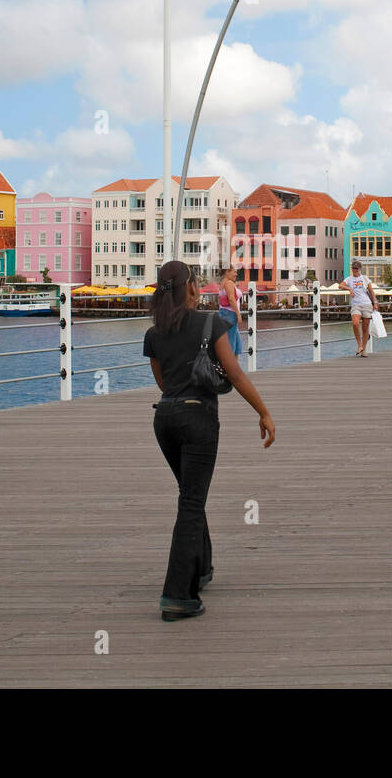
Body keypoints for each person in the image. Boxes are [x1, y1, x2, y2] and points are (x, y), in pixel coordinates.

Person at [144, 259, 275, 621]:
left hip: (165, 418)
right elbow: (233, 373)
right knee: (191, 502)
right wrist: (262, 412)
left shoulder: (154, 333)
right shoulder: (209, 323)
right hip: (198, 418)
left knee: (190, 495)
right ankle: (177, 595)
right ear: (190, 288)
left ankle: (200, 569)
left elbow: (163, 383)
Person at [342, 259, 379, 356]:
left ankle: (364, 349)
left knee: (365, 327)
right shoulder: (349, 279)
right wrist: (349, 288)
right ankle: (359, 345)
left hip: (367, 304)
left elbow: (371, 291)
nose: (355, 270)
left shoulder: (365, 278)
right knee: (355, 323)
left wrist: (375, 303)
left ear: (360, 269)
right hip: (356, 305)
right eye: (353, 268)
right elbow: (340, 285)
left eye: (357, 269)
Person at [215, 266, 245, 357]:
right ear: (227, 272)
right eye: (234, 272)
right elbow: (231, 299)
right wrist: (238, 314)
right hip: (230, 314)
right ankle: (229, 369)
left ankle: (235, 368)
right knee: (231, 344)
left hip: (225, 313)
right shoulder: (228, 283)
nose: (236, 274)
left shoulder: (224, 282)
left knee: (237, 344)